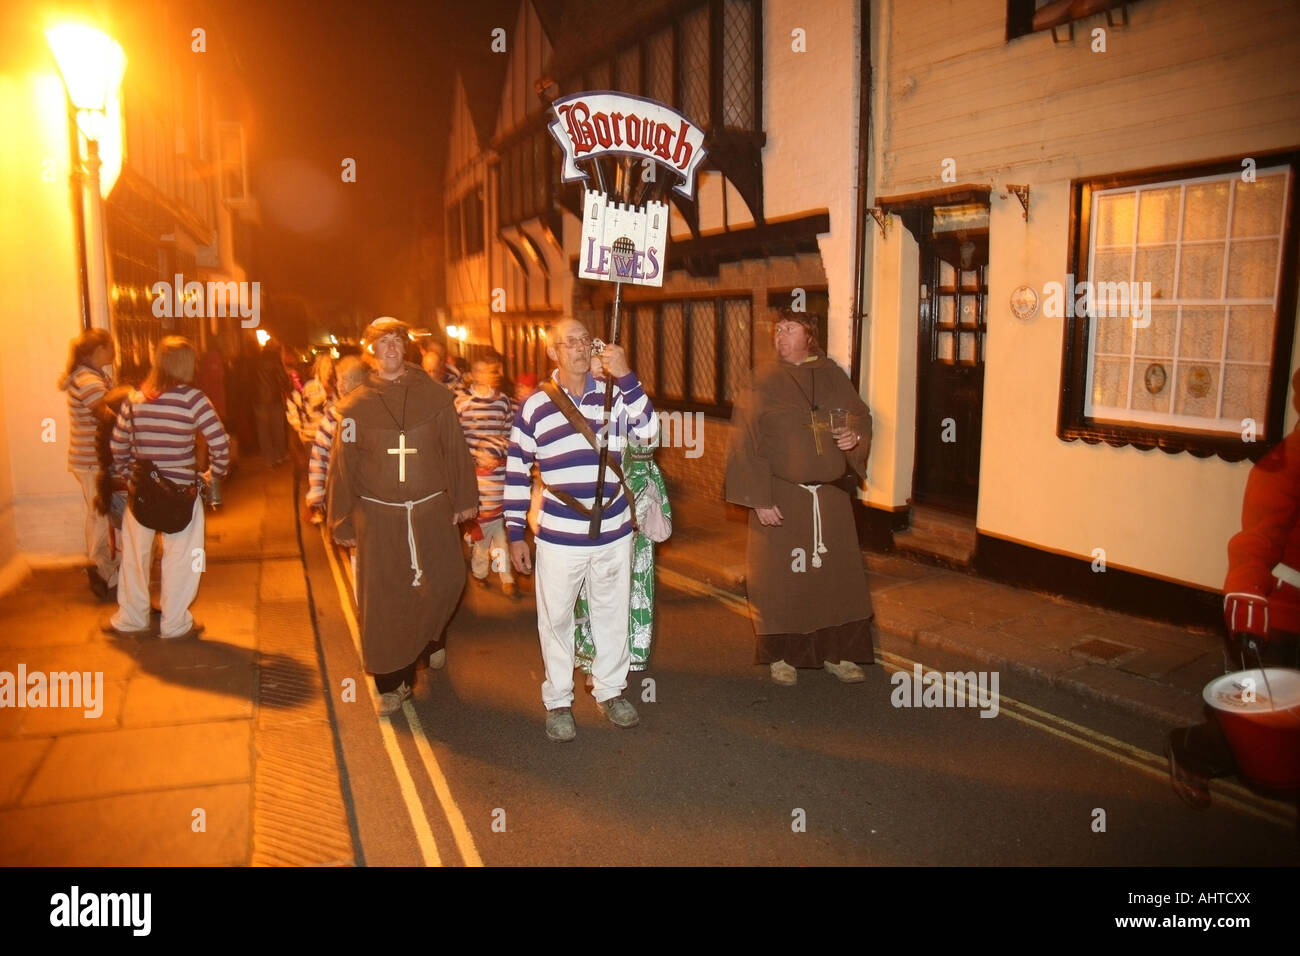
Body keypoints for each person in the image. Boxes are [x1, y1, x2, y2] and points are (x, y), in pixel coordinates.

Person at [505, 317, 657, 741]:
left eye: (584, 340)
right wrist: (516, 530)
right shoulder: (535, 406)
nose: (578, 347)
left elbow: (650, 433)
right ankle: (558, 700)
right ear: (553, 352)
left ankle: (610, 690)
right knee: (555, 620)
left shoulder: (614, 395)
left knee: (613, 613)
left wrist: (626, 376)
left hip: (613, 530)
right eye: (567, 342)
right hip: (558, 534)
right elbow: (517, 470)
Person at [327, 317, 478, 715]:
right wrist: (340, 519)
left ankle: (430, 636)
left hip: (432, 510)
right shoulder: (354, 407)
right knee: (386, 599)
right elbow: (341, 467)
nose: (391, 348)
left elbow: (454, 449)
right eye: (383, 343)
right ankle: (392, 683)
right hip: (378, 518)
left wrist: (464, 497)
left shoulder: (435, 397)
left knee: (447, 580)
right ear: (371, 351)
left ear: (404, 347)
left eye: (397, 341)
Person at [1166, 368, 1300, 807]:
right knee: (1259, 727)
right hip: (1280, 613)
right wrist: (1244, 591)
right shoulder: (1284, 465)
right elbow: (1256, 540)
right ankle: (1192, 750)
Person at [725, 309, 876, 685]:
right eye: (777, 330)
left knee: (834, 582)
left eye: (789, 330)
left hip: (829, 501)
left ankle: (836, 654)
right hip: (782, 499)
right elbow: (744, 441)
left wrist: (854, 437)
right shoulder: (761, 381)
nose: (779, 336)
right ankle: (782, 658)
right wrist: (759, 498)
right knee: (781, 584)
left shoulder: (833, 375)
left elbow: (860, 415)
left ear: (810, 335)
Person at [102, 336, 230, 640]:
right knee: (183, 557)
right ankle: (175, 623)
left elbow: (118, 445)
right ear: (186, 364)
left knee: (135, 557)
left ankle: (131, 618)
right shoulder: (193, 399)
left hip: (142, 491)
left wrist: (128, 475)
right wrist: (215, 473)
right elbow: (219, 441)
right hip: (181, 491)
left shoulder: (135, 399)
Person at [575, 425, 671, 676]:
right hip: (597, 508)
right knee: (597, 589)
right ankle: (595, 659)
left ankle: (615, 661)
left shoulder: (637, 409)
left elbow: (645, 456)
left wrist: (637, 511)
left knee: (626, 593)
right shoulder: (588, 405)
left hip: (632, 510)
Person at [59, 329, 120, 600]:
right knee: (99, 514)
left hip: (91, 459)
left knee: (101, 513)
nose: (114, 351)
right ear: (100, 350)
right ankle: (100, 568)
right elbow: (105, 415)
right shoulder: (87, 379)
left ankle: (105, 568)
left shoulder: (92, 375)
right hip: (92, 460)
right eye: (111, 346)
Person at [455, 350, 517, 597]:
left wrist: (495, 452)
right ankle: (480, 566)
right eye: (485, 370)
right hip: (473, 475)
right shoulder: (461, 403)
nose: (492, 375)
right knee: (482, 526)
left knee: (498, 526)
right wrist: (475, 456)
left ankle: (505, 575)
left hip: (497, 474)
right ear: (472, 375)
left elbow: (510, 436)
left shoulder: (503, 402)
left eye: (494, 370)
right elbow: (455, 440)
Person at [307, 356, 366, 525]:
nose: (340, 385)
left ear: (360, 382)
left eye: (346, 379)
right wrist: (317, 493)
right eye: (339, 379)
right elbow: (319, 456)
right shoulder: (333, 417)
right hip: (342, 496)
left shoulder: (374, 415)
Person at [253, 337, 290, 467]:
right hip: (274, 399)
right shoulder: (275, 359)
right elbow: (283, 379)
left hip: (258, 400)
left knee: (264, 431)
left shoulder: (255, 359)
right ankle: (280, 455)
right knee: (277, 428)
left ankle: (269, 459)